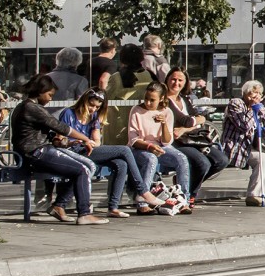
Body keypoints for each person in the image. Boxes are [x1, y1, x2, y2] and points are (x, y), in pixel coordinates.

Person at [61, 89, 171, 217]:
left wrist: (90, 143)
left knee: (121, 164)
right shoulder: (68, 113)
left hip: (89, 149)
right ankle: (142, 191)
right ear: (84, 101)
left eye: (97, 107)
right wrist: (78, 142)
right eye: (91, 105)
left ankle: (113, 207)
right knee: (125, 150)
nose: (93, 109)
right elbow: (61, 139)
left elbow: (97, 141)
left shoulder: (94, 116)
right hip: (74, 151)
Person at [11, 76, 104, 225]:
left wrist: (62, 140)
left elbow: (48, 132)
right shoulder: (31, 107)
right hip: (36, 153)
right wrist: (86, 139)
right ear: (40, 91)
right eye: (49, 95)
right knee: (82, 170)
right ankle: (84, 213)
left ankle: (59, 206)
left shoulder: (25, 106)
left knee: (81, 167)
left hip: (35, 151)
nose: (50, 99)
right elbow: (61, 127)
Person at [162, 68, 228, 200]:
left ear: (185, 82)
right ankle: (189, 195)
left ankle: (188, 184)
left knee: (221, 160)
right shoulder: (165, 101)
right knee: (203, 163)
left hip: (193, 139)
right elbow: (187, 120)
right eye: (173, 79)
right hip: (176, 142)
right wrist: (196, 121)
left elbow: (199, 120)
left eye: (180, 80)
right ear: (167, 80)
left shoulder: (184, 99)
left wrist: (187, 127)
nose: (176, 83)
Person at [128, 83, 194, 212]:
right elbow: (133, 140)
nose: (148, 102)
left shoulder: (167, 112)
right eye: (146, 98)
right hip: (141, 147)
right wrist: (149, 146)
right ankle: (143, 202)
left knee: (181, 159)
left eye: (152, 100)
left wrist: (164, 124)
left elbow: (166, 141)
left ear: (161, 99)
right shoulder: (136, 110)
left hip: (160, 146)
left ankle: (183, 200)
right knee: (150, 159)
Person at [221, 80, 265, 205]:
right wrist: (254, 109)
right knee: (263, 159)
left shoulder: (260, 106)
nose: (256, 96)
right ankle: (254, 195)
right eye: (253, 93)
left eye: (259, 93)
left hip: (256, 146)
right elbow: (244, 125)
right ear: (246, 93)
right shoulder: (236, 103)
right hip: (238, 147)